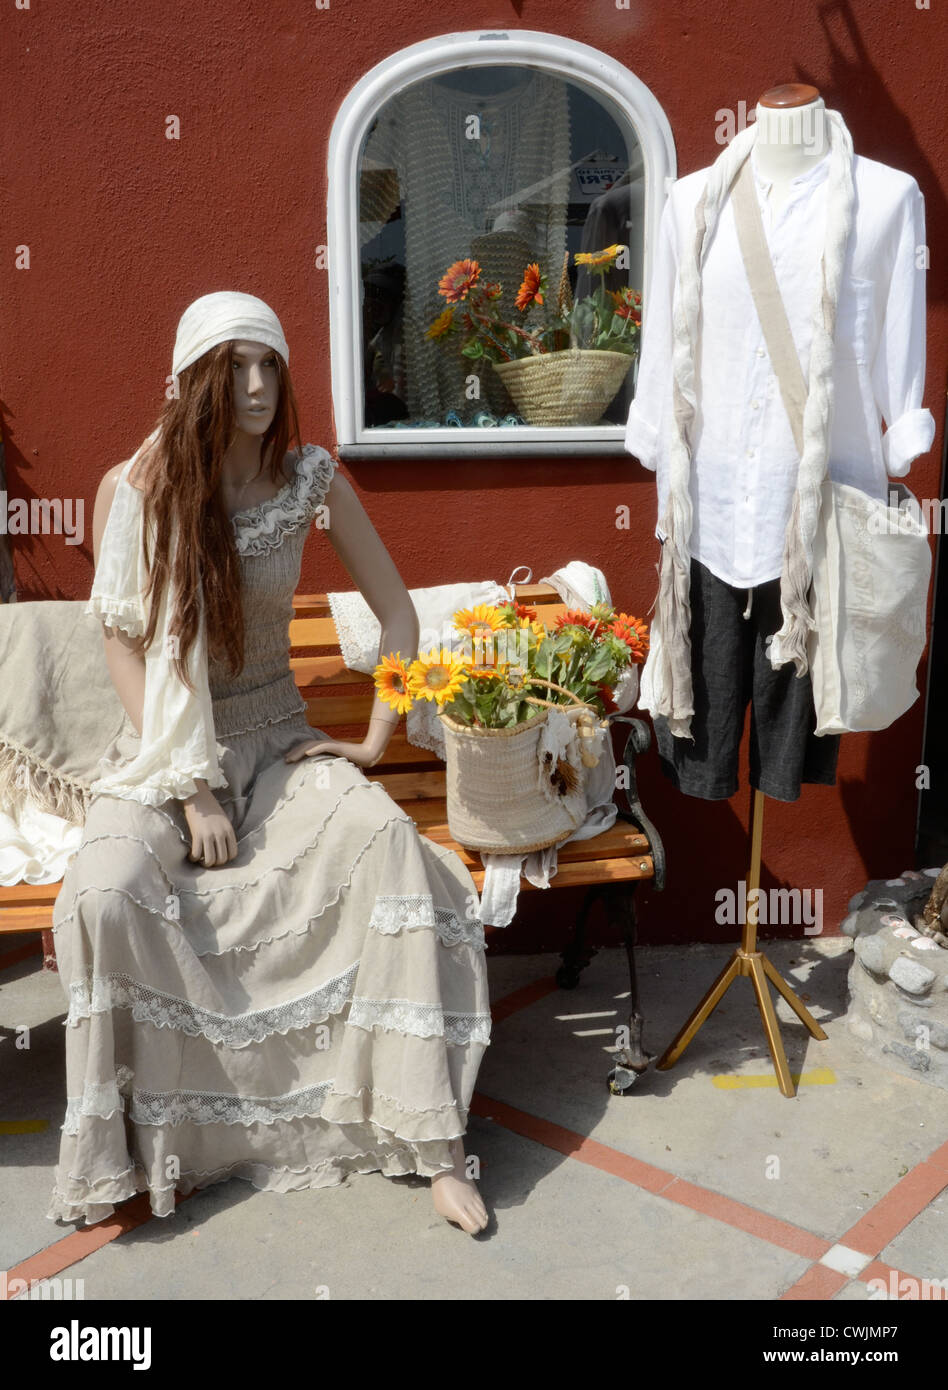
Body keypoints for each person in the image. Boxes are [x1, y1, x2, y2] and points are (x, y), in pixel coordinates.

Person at [48, 291, 491, 1235]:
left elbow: (399, 615)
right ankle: (155, 1144)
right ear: (198, 379)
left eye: (270, 366)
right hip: (168, 750)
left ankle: (431, 1142)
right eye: (235, 367)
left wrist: (376, 735)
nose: (256, 387)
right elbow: (124, 643)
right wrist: (193, 782)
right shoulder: (140, 489)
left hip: (280, 733)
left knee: (387, 848)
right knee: (102, 890)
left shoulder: (312, 478)